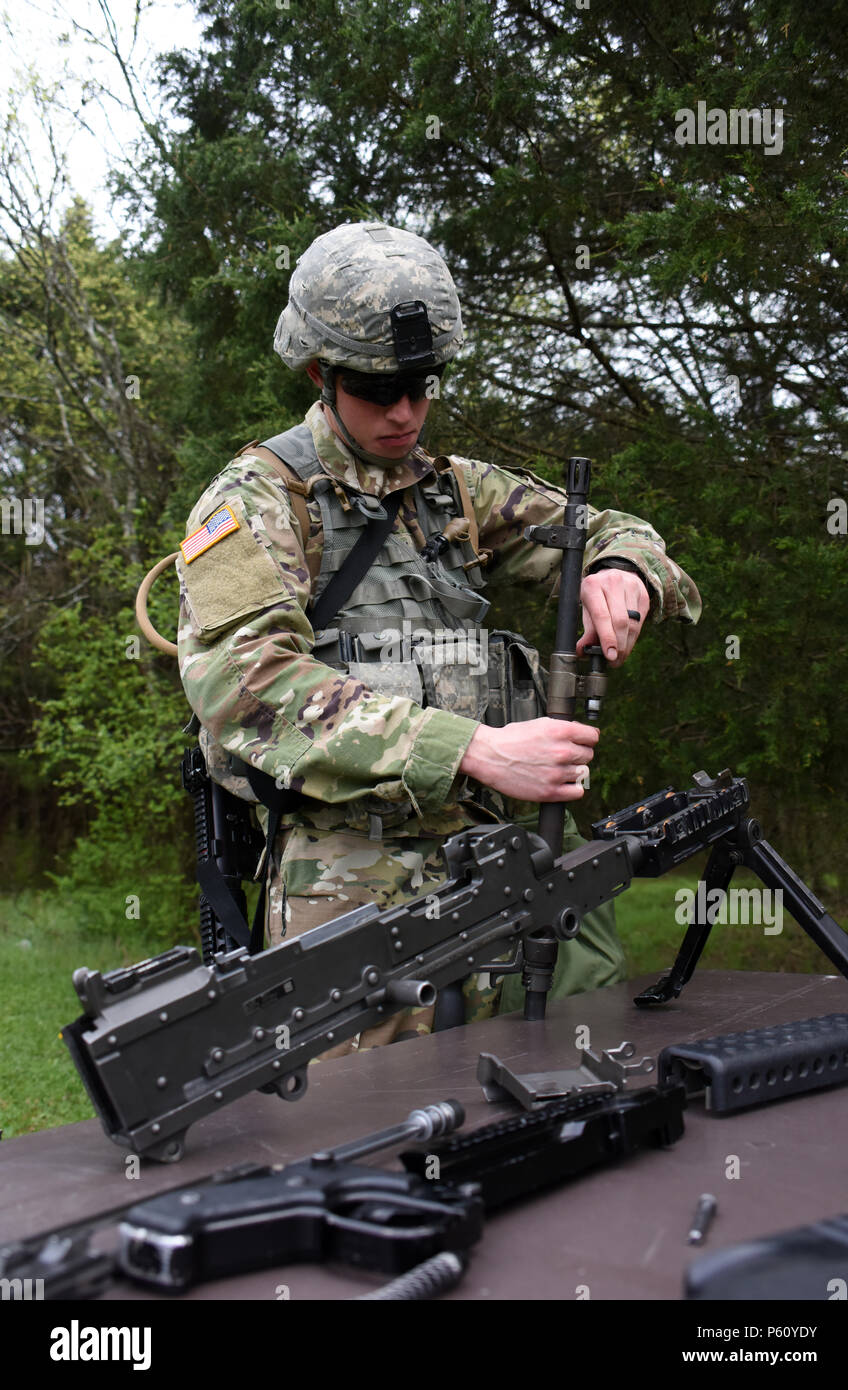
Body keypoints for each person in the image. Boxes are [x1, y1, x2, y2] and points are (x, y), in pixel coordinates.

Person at [176, 221, 701, 1055]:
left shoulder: (452, 493)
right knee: (355, 1136)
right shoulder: (257, 504)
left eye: (422, 384)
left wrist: (624, 573)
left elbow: (617, 530)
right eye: (375, 389)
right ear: (319, 374)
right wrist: (470, 749)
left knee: (516, 1113)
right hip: (346, 888)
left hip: (487, 865)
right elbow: (245, 688)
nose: (404, 412)